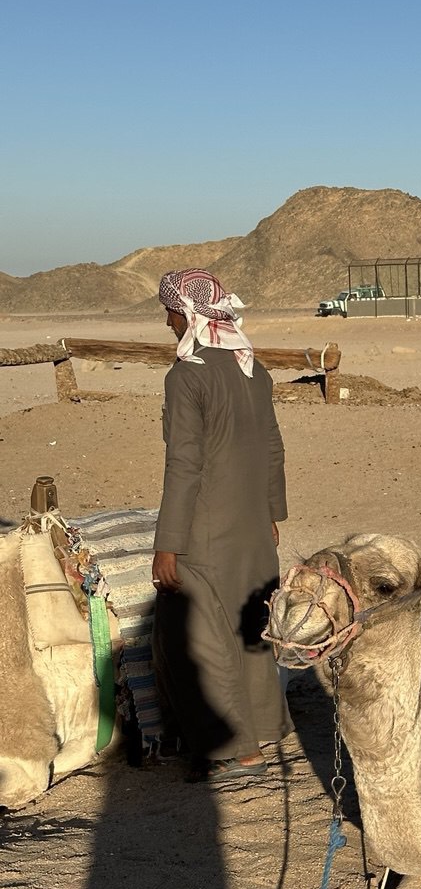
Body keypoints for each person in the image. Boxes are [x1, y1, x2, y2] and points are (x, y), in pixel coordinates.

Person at [151, 268, 291, 780]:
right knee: (248, 626)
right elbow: (273, 447)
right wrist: (272, 513)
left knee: (197, 636)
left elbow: (184, 465)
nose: (166, 321)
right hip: (253, 525)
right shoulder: (253, 370)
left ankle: (237, 747)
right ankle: (265, 732)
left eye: (169, 310)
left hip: (204, 530)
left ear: (187, 314)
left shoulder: (186, 376)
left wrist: (168, 545)